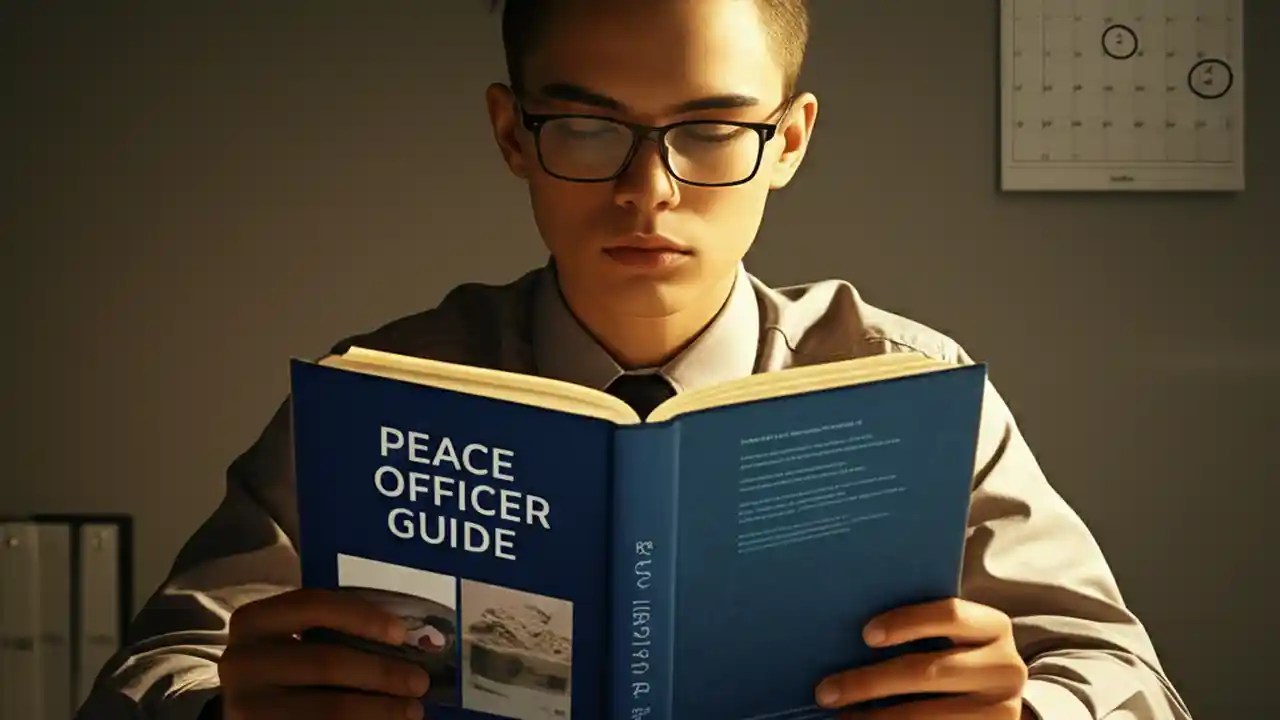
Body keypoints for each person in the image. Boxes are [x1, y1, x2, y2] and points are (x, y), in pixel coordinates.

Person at [78, 1, 1194, 719]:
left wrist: (1028, 715)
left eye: (710, 130)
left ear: (787, 141)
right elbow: (144, 678)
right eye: (586, 126)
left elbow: (1134, 686)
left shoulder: (903, 385)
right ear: (513, 134)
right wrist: (223, 708)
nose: (647, 189)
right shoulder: (385, 390)